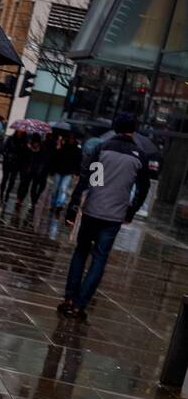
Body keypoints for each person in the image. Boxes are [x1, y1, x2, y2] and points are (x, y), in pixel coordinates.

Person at [59, 112, 150, 321]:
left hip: (93, 209)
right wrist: (131, 210)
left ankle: (69, 298)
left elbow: (88, 180)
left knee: (81, 252)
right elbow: (142, 189)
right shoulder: (139, 156)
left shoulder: (102, 148)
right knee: (100, 258)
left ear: (115, 128)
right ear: (133, 130)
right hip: (115, 215)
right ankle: (80, 305)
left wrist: (73, 208)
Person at [48, 130, 81, 210]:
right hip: (59, 170)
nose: (71, 140)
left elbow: (78, 162)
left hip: (68, 172)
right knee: (55, 188)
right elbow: (55, 159)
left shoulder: (77, 150)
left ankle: (59, 204)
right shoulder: (62, 148)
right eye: (70, 138)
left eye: (72, 139)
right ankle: (53, 203)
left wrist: (76, 172)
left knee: (63, 188)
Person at [0, 129, 27, 200]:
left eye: (22, 131)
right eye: (19, 130)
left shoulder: (24, 142)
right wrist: (7, 155)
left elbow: (25, 154)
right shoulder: (10, 138)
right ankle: (1, 193)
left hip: (17, 164)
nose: (20, 132)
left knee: (12, 180)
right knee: (4, 179)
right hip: (7, 162)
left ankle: (7, 194)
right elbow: (3, 149)